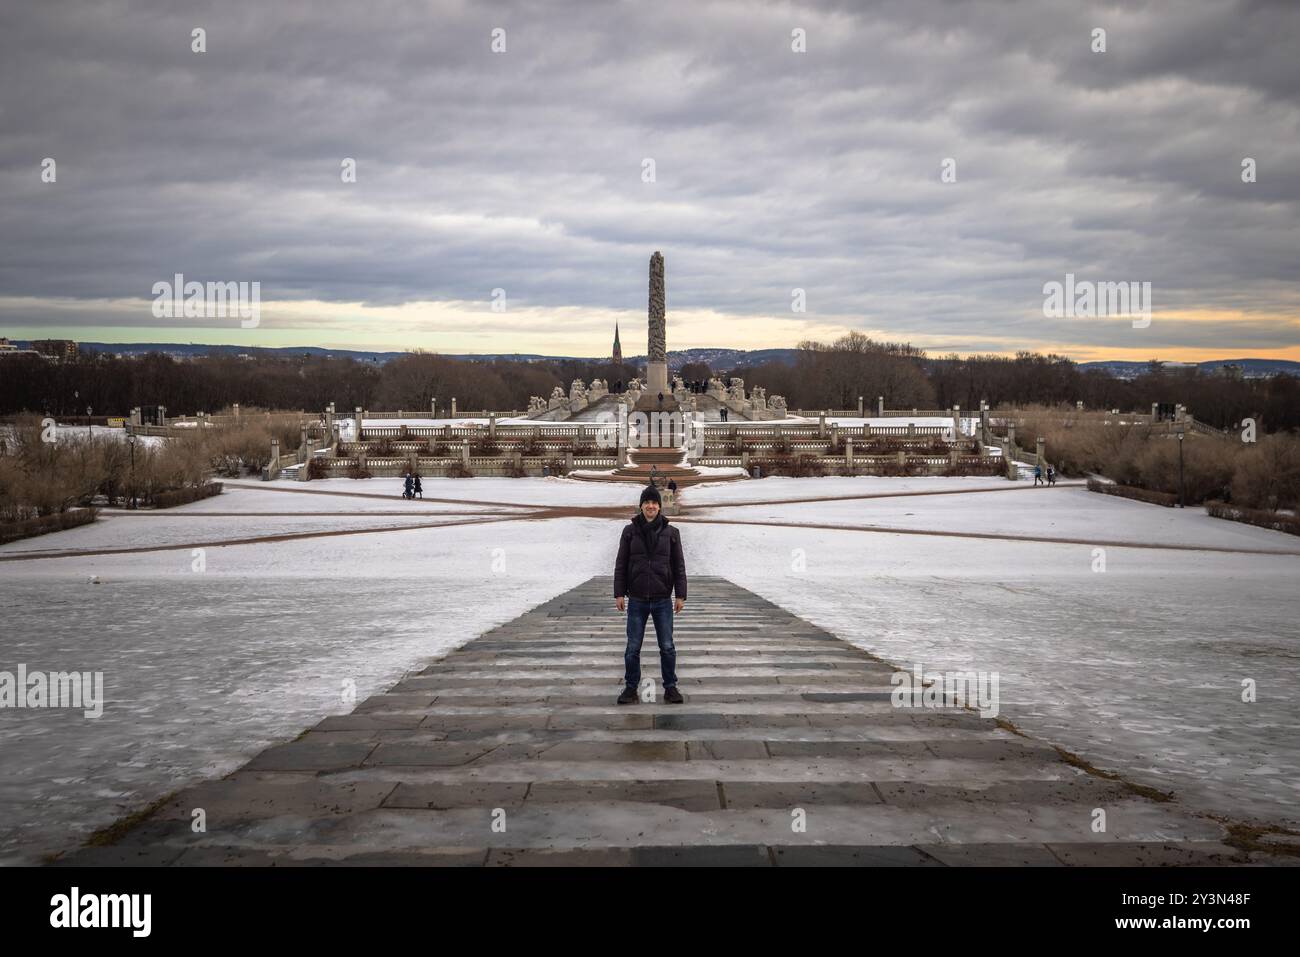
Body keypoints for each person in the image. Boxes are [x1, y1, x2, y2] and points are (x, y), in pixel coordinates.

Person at [614, 485, 687, 705]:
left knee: (667, 646)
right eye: (647, 502)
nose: (651, 506)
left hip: (662, 599)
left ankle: (670, 687)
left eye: (654, 503)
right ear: (641, 506)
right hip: (636, 599)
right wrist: (619, 593)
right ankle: (630, 688)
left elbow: (679, 566)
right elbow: (621, 564)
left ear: (659, 506)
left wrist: (680, 595)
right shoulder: (629, 531)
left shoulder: (672, 533)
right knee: (632, 647)